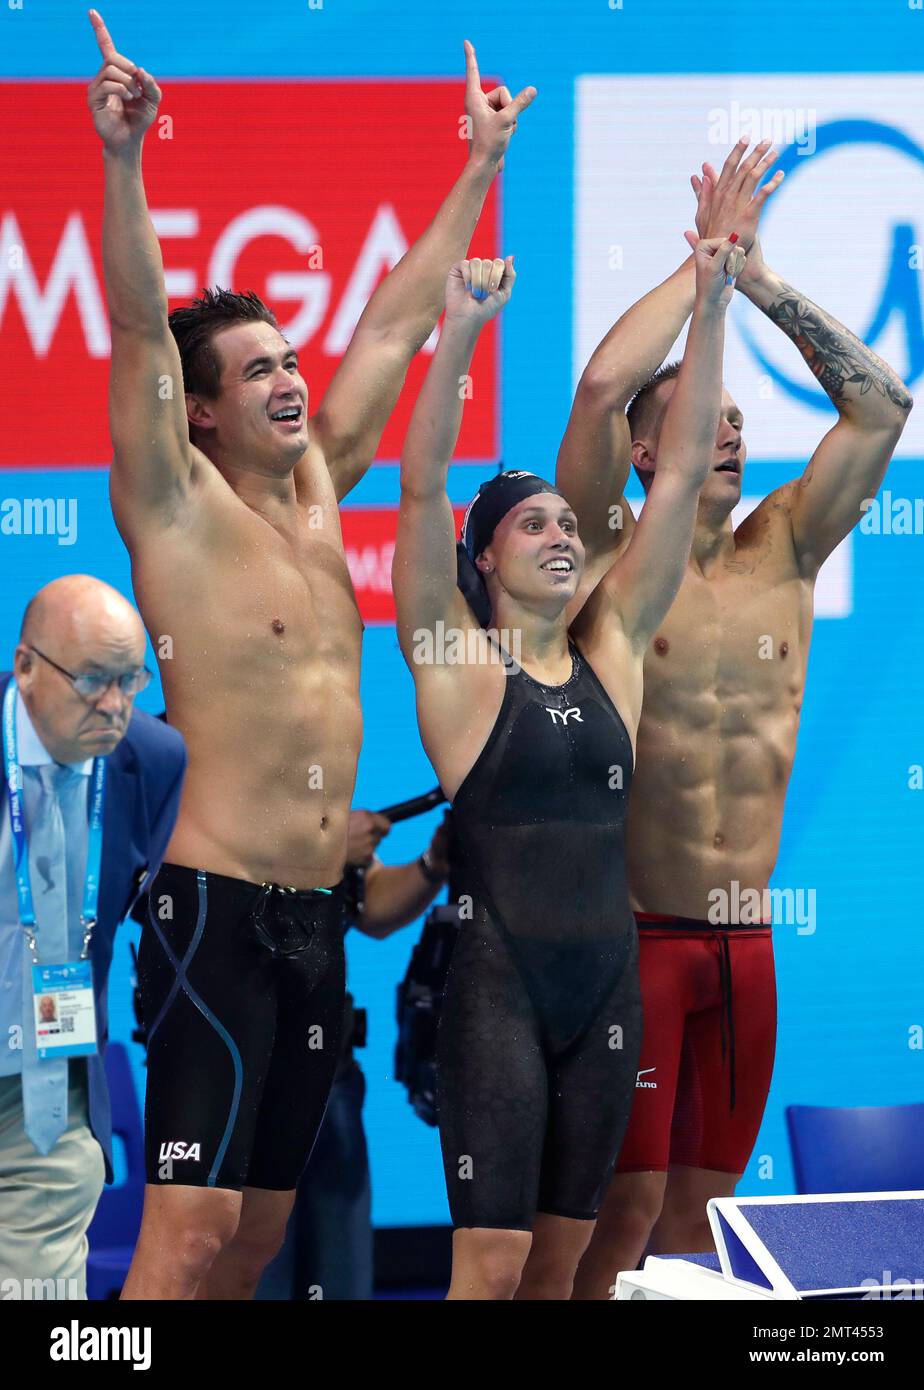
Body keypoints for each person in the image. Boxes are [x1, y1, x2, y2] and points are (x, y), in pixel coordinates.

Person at [86, 9, 534, 1300]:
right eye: (257, 369)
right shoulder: (175, 506)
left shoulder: (323, 494)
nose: (290, 379)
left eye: (291, 356)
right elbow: (129, 331)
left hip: (313, 917)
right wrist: (123, 164)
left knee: (258, 1236)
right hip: (212, 912)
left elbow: (391, 330)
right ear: (203, 407)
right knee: (183, 1230)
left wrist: (476, 167)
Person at [557, 138, 913, 1298]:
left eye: (736, 417)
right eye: (702, 415)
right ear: (644, 456)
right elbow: (604, 389)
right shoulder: (608, 552)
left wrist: (756, 281)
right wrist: (697, 279)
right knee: (619, 1218)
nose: (730, 431)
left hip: (743, 944)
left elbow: (877, 409)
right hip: (639, 937)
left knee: (704, 1225)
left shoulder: (786, 549)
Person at [392, 234, 742, 1299]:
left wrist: (713, 297)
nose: (558, 533)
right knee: (489, 1268)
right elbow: (416, 494)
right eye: (530, 522)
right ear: (485, 554)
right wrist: (459, 333)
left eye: (565, 521)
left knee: (562, 1266)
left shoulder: (614, 651)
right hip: (493, 996)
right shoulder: (455, 660)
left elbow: (677, 469)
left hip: (605, 992)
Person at [0, 576, 185, 1298]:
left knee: (39, 1291)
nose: (113, 705)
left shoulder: (153, 760)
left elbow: (142, 905)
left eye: (129, 680)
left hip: (48, 1080)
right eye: (90, 681)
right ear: (26, 668)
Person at [256, 809, 450, 1301]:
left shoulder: (311, 772)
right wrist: (318, 849)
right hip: (243, 1084)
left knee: (342, 1277)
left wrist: (434, 863)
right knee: (255, 1272)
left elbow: (370, 908)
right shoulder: (194, 764)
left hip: (330, 1080)